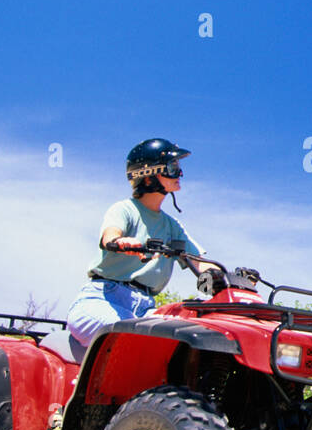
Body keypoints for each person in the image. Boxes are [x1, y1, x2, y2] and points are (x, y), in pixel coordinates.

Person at [65, 138, 216, 349]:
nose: (180, 173)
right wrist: (120, 242)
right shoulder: (125, 209)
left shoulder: (172, 226)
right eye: (173, 167)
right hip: (104, 299)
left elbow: (199, 264)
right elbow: (110, 236)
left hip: (146, 308)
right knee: (133, 339)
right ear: (147, 177)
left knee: (187, 342)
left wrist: (230, 280)